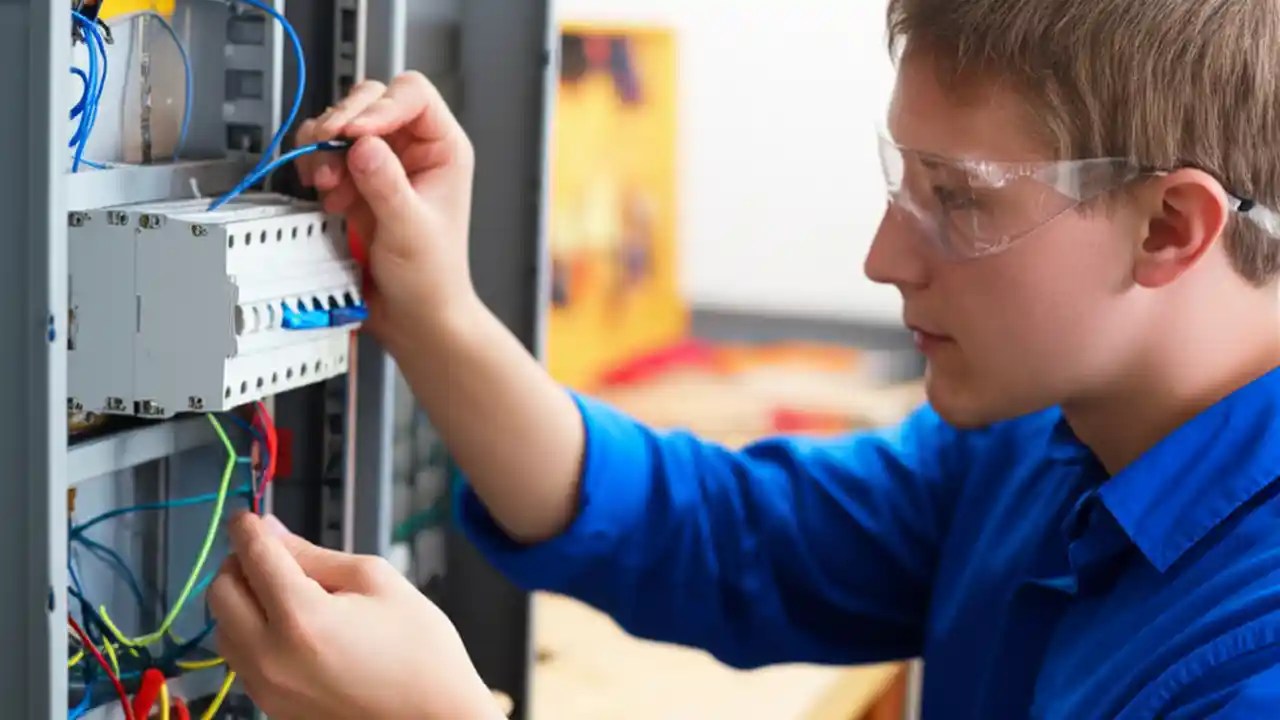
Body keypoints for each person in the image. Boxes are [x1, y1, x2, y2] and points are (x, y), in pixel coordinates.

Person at [208, 0, 1280, 717]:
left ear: (1165, 229)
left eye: (957, 200)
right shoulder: (1034, 444)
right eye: (900, 181)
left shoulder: (1247, 667)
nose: (881, 257)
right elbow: (717, 533)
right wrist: (432, 310)